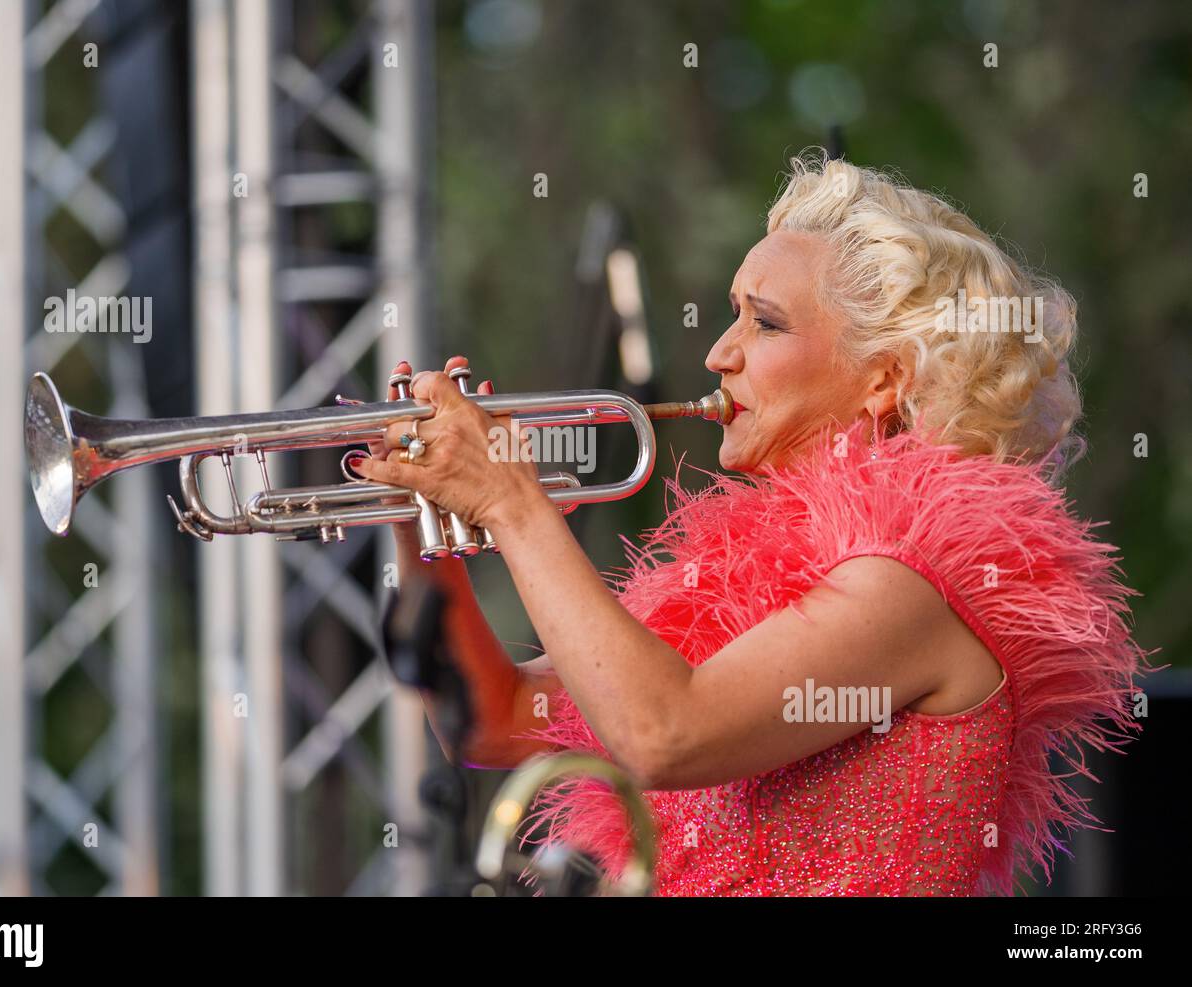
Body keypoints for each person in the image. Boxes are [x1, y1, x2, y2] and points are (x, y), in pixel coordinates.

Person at [354, 150, 1149, 896]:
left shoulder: (909, 586)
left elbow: (664, 732)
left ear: (885, 379)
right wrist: (422, 516)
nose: (718, 353)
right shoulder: (761, 591)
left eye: (765, 324)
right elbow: (491, 720)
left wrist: (509, 502)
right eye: (733, 314)